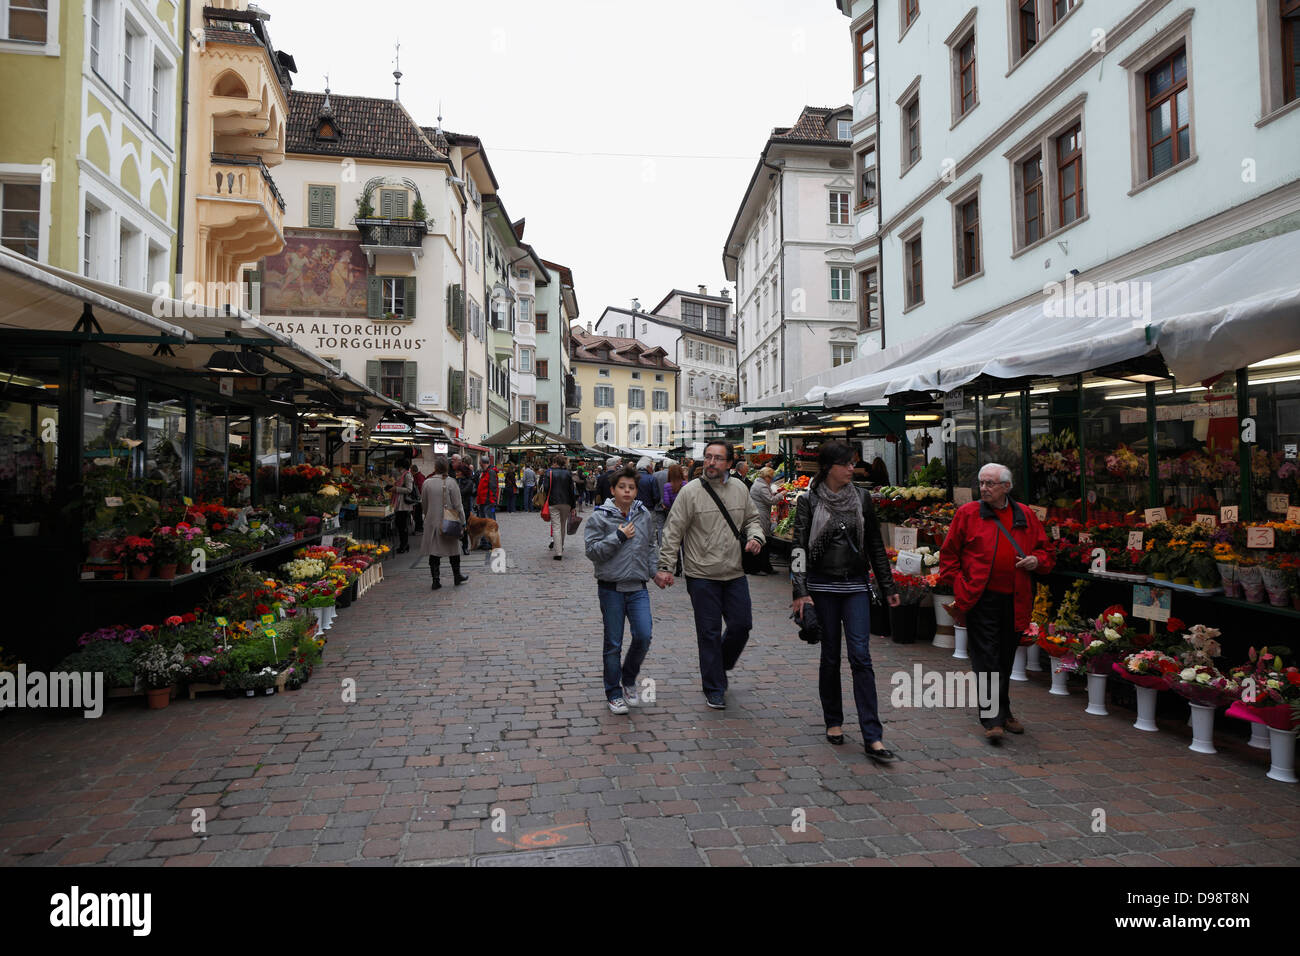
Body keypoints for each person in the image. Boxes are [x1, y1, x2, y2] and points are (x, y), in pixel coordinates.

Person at [790, 441, 902, 763]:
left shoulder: (862, 498)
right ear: (828, 467)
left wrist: (887, 583)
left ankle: (873, 735)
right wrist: (800, 592)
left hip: (855, 587)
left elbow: (874, 545)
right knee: (830, 657)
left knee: (861, 657)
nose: (853, 469)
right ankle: (834, 720)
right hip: (821, 588)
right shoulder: (808, 500)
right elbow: (798, 550)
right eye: (846, 464)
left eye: (853, 463)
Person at [939, 462, 1054, 742]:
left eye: (991, 483)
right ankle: (992, 719)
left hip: (1015, 599)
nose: (985, 488)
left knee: (1003, 658)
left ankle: (1004, 711)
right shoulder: (968, 513)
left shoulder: (1025, 514)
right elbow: (948, 556)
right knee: (986, 659)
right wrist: (961, 585)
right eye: (982, 483)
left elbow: (1046, 551)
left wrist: (1036, 560)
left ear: (1006, 486)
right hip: (980, 598)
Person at [655, 440, 764, 710]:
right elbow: (673, 532)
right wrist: (666, 567)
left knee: (741, 626)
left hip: (734, 571)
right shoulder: (690, 492)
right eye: (708, 457)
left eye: (717, 458)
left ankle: (719, 664)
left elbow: (752, 519)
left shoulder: (740, 488)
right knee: (709, 632)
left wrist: (756, 537)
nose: (711, 463)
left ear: (729, 463)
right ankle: (714, 686)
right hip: (701, 573)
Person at [585, 466, 657, 715]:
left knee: (643, 635)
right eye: (622, 487)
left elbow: (650, 545)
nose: (627, 491)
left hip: (638, 587)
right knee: (613, 643)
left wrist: (655, 571)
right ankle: (613, 693)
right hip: (611, 588)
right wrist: (618, 536)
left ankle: (628, 679)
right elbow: (592, 552)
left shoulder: (643, 514)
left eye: (631, 487)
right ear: (613, 490)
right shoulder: (599, 517)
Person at [419, 455, 468, 589]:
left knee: (434, 552)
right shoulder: (452, 482)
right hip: (449, 521)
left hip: (432, 521)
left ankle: (436, 580)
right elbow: (458, 505)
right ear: (446, 467)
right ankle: (457, 576)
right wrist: (463, 521)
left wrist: (427, 514)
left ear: (435, 467)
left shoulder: (427, 483)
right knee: (453, 550)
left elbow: (424, 503)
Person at [542, 453, 577, 559]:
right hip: (566, 503)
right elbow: (572, 491)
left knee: (556, 526)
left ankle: (558, 552)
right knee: (562, 526)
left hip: (553, 502)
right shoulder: (568, 473)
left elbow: (546, 488)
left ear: (555, 462)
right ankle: (560, 547)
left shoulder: (549, 472)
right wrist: (573, 505)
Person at [746, 466, 780, 575]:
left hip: (759, 514)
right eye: (771, 477)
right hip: (760, 515)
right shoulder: (761, 486)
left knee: (763, 541)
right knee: (761, 541)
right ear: (766, 477)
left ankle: (765, 566)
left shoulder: (759, 484)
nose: (772, 480)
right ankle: (756, 568)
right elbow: (771, 501)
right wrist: (781, 495)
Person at [390, 458, 415, 553]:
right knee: (400, 525)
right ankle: (405, 545)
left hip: (404, 505)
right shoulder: (402, 475)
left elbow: (409, 489)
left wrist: (396, 489)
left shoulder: (407, 475)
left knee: (402, 526)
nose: (397, 469)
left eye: (398, 467)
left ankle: (403, 545)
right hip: (399, 504)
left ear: (402, 466)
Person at [453, 454, 476, 554]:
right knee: (453, 527)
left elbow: (462, 493)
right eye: (456, 471)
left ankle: (465, 546)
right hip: (454, 507)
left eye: (458, 471)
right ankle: (452, 546)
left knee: (464, 527)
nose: (456, 473)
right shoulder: (454, 480)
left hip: (464, 507)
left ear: (462, 473)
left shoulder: (469, 482)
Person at [476, 456, 499, 521]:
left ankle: (492, 531)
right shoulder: (485, 472)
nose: (479, 464)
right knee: (485, 521)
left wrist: (493, 501)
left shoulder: (490, 472)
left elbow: (493, 487)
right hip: (484, 502)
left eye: (480, 462)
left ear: (482, 463)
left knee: (490, 520)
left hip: (489, 502)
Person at [411, 462, 426, 532]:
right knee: (418, 513)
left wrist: (418, 497)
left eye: (411, 471)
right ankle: (419, 527)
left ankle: (419, 528)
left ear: (413, 471)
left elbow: (420, 488)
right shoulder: (421, 475)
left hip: (418, 499)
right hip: (420, 498)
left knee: (417, 513)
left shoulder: (417, 477)